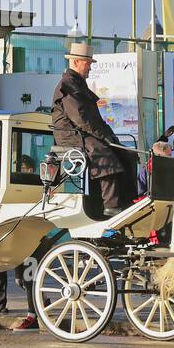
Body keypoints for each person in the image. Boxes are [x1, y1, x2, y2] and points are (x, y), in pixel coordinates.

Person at [51, 43, 135, 218]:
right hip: (71, 135)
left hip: (84, 132)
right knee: (103, 152)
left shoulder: (77, 83)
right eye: (87, 63)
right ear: (75, 62)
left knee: (126, 154)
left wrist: (111, 137)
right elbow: (81, 119)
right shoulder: (67, 85)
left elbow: (91, 120)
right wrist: (105, 138)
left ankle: (127, 200)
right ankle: (110, 205)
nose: (90, 67)